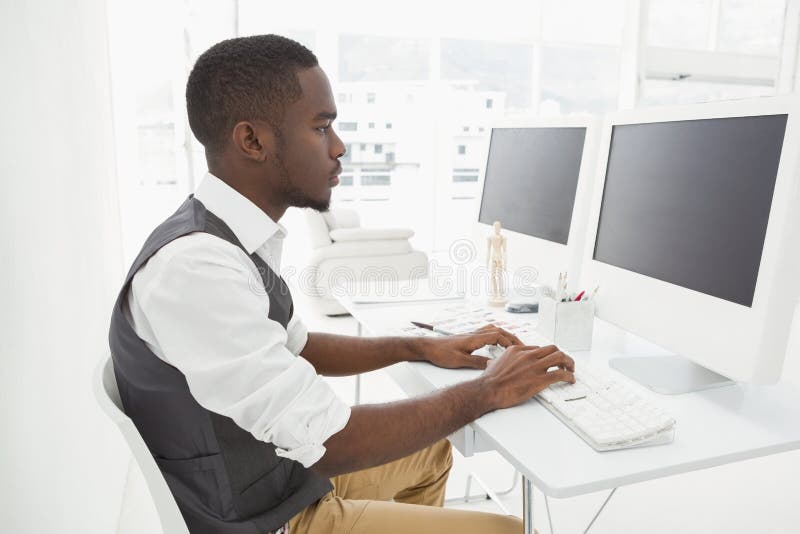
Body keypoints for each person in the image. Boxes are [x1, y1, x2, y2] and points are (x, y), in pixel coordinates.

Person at [108, 34, 575, 534]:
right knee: (506, 530)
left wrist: (417, 346)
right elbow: (331, 442)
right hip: (265, 520)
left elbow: (299, 347)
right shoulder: (195, 268)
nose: (339, 146)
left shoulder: (227, 241)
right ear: (253, 141)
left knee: (431, 454)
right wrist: (488, 389)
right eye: (321, 126)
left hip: (274, 484)